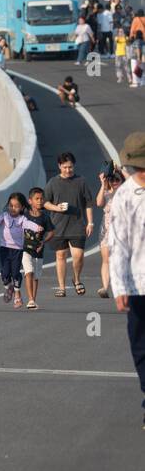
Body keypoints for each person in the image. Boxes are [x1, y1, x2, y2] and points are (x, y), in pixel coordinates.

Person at [106, 132, 145, 429]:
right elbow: (118, 244)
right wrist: (119, 287)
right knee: (140, 345)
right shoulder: (124, 195)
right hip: (137, 283)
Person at [0, 193, 43, 308]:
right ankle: (9, 287)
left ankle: (17, 296)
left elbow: (28, 224)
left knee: (15, 272)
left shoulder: (22, 219)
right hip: (5, 249)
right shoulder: (4, 216)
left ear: (22, 207)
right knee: (5, 274)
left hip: (17, 250)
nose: (13, 208)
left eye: (16, 206)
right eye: (11, 205)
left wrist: (36, 227)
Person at [44, 152, 95, 298]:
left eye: (70, 167)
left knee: (78, 256)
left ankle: (76, 279)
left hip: (77, 225)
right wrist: (56, 208)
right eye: (65, 167)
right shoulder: (53, 182)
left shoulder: (81, 181)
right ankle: (61, 287)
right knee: (60, 256)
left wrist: (90, 222)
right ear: (59, 166)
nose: (68, 170)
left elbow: (88, 203)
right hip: (58, 226)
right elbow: (46, 202)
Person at [21, 187, 55, 310]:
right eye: (37, 199)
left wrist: (43, 241)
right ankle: (30, 299)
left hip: (38, 250)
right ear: (30, 201)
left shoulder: (45, 216)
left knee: (36, 276)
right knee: (28, 272)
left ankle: (33, 300)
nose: (40, 201)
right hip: (25, 249)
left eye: (41, 199)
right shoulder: (24, 214)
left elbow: (51, 232)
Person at [97, 166, 125, 298]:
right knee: (106, 259)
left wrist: (121, 169)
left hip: (124, 232)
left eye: (117, 179)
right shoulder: (107, 193)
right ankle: (105, 287)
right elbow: (98, 203)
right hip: (107, 231)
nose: (114, 182)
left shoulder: (128, 192)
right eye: (112, 179)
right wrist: (103, 184)